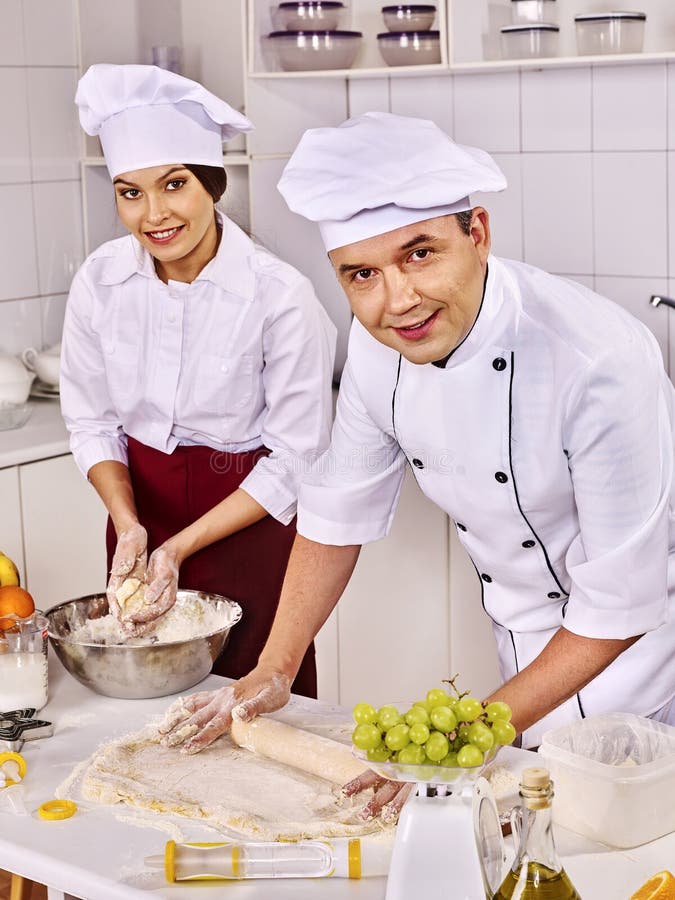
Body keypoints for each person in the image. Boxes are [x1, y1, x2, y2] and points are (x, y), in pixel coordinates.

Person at [159, 112, 675, 779]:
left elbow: (618, 603)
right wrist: (275, 667)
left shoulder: (597, 360)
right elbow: (336, 508)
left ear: (477, 235)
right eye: (360, 274)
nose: (396, 301)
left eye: (419, 253)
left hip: (644, 663)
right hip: (522, 659)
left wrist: (464, 737)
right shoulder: (382, 347)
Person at [59, 65, 336, 696]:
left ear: (212, 184)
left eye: (174, 185)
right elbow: (92, 422)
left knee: (255, 710)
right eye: (130, 192)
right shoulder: (100, 282)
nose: (153, 214)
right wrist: (129, 523)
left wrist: (180, 547)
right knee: (140, 712)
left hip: (249, 520)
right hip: (141, 510)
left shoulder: (279, 297)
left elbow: (294, 459)